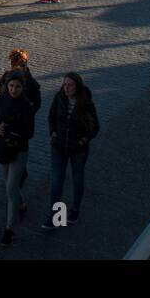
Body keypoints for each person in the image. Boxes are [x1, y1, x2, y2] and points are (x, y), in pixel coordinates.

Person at [42, 72, 99, 230]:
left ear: (77, 86)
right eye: (64, 84)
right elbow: (51, 116)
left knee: (77, 179)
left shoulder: (86, 103)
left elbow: (95, 127)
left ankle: (75, 209)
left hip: (77, 150)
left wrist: (83, 140)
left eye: (70, 85)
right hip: (58, 146)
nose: (66, 88)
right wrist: (52, 132)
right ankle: (54, 216)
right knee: (56, 182)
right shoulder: (59, 97)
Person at [0, 74, 36, 247]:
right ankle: (23, 203)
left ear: (22, 88)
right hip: (4, 148)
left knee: (10, 189)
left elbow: (29, 133)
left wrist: (9, 130)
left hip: (19, 150)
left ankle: (9, 229)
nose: (13, 89)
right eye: (11, 86)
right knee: (10, 184)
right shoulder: (2, 99)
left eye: (17, 86)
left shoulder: (27, 107)